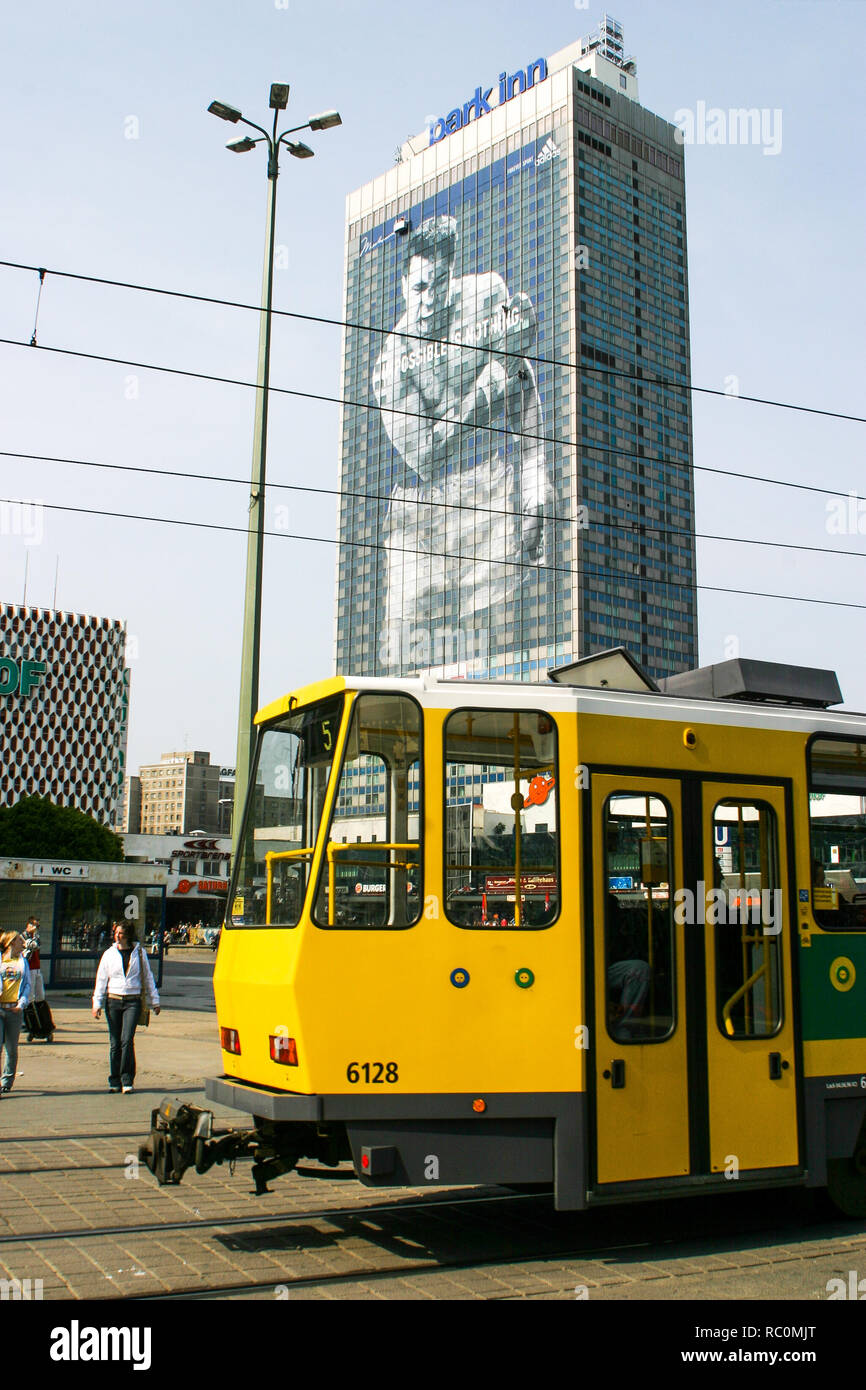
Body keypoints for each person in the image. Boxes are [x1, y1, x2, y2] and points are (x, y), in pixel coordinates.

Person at [372, 214, 554, 672]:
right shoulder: (391, 363)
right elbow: (427, 456)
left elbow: (521, 381)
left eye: (439, 284)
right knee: (408, 668)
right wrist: (487, 387)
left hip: (493, 491)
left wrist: (535, 489)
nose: (429, 300)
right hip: (423, 518)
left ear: (452, 273)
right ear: (403, 285)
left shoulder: (488, 293)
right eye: (418, 290)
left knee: (502, 650)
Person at [92, 923, 160, 1094]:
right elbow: (101, 979)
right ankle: (114, 1080)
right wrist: (97, 1003)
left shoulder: (139, 952)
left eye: (121, 933)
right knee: (115, 1042)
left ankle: (127, 1079)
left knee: (127, 1040)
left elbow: (148, 976)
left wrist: (155, 1000)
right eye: (116, 933)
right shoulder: (109, 954)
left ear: (128, 935)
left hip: (132, 1000)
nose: (118, 936)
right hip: (113, 1000)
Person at [0, 932, 31, 1096]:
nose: (23, 943)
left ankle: (7, 1082)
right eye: (20, 940)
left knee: (11, 1048)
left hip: (14, 1009)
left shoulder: (23, 962)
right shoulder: (1, 960)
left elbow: (27, 985)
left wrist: (21, 1004)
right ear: (11, 943)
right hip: (0, 1008)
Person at [22, 916, 54, 1043]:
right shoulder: (22, 936)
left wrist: (34, 941)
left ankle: (44, 1024)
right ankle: (31, 1025)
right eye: (35, 925)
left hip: (36, 969)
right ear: (28, 924)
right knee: (29, 998)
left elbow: (37, 944)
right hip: (28, 969)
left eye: (38, 926)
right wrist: (32, 941)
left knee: (40, 996)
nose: (36, 929)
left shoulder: (36, 936)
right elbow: (32, 946)